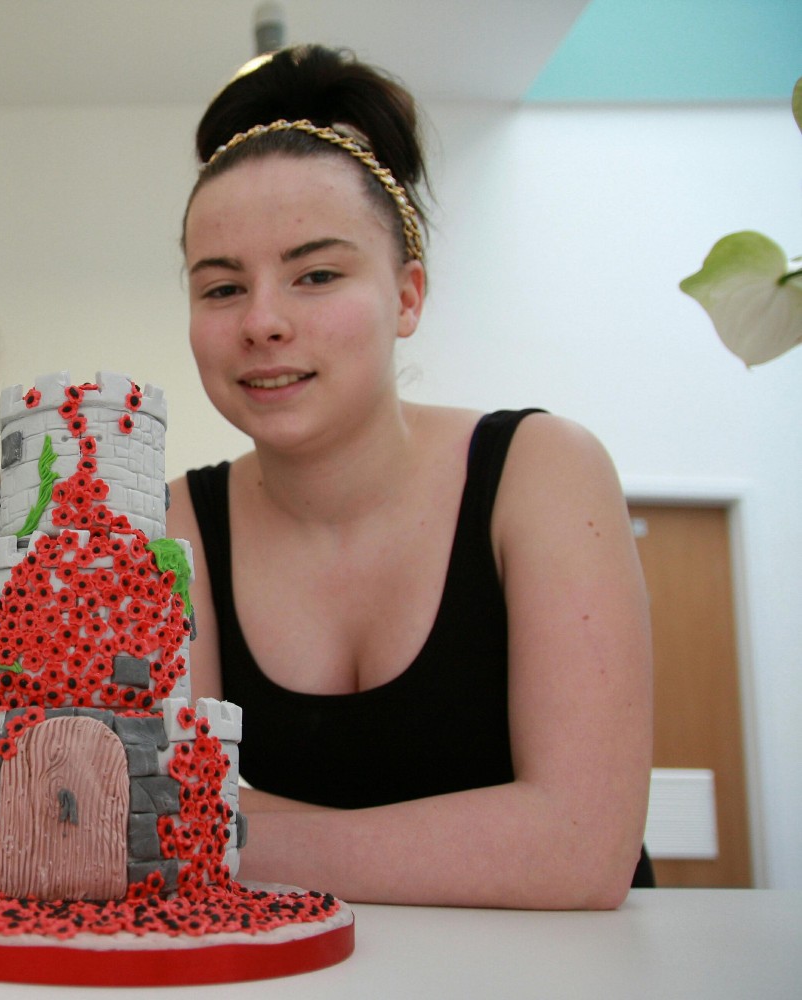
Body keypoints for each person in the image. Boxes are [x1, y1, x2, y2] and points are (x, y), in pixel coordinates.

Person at [165, 45, 653, 909]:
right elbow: (162, 823)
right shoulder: (177, 525)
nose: (264, 322)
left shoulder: (542, 472)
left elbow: (582, 852)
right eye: (222, 288)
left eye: (317, 275)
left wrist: (229, 832)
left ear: (408, 294)